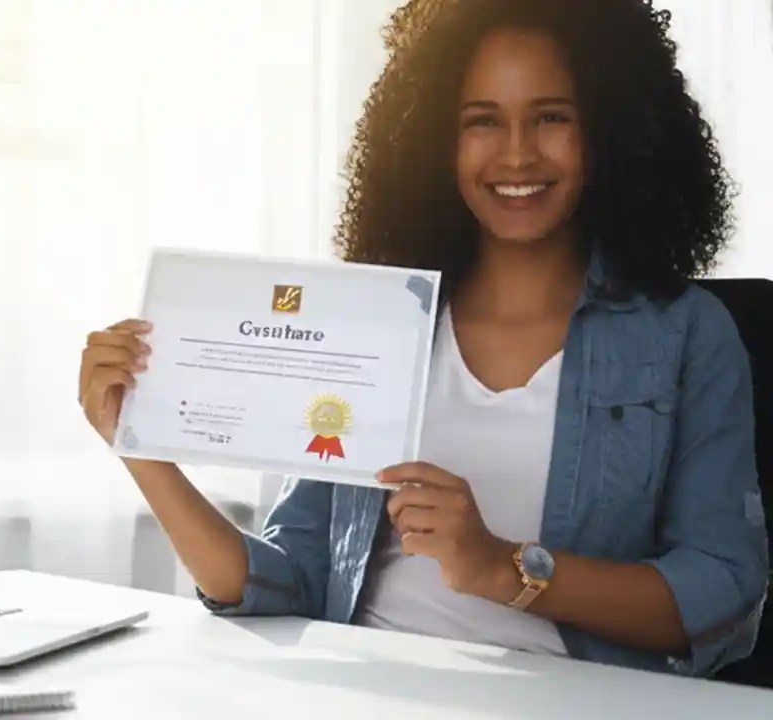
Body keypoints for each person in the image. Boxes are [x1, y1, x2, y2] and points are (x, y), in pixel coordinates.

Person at [77, 0, 768, 677]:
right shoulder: (373, 322)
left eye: (552, 116)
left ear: (610, 130)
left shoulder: (687, 335)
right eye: (481, 121)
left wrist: (503, 568)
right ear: (435, 139)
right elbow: (284, 581)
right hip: (366, 686)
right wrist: (141, 448)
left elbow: (722, 594)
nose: (518, 153)